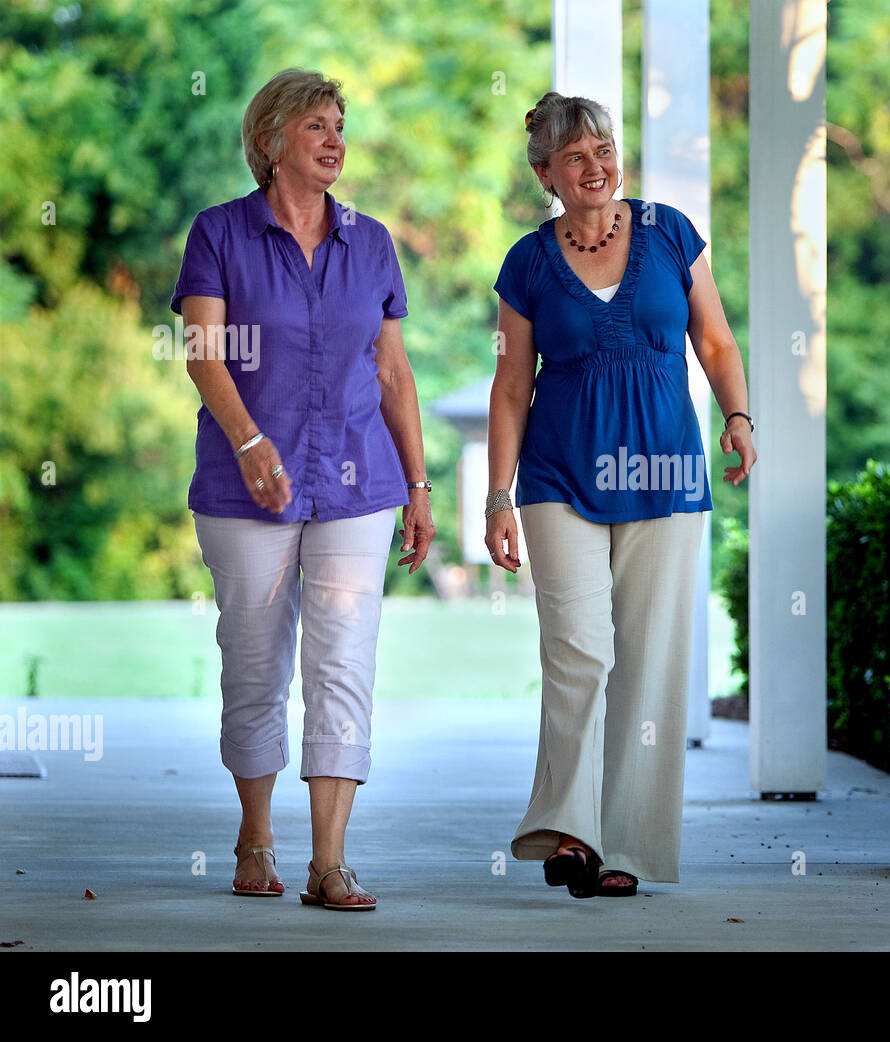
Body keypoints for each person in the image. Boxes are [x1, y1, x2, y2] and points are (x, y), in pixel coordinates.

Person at [171, 68, 434, 911]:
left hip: (359, 482)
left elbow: (393, 373)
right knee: (253, 667)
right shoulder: (220, 235)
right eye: (316, 124)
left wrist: (421, 484)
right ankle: (256, 838)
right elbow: (203, 353)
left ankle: (330, 863)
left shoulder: (374, 242)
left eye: (340, 124)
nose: (334, 139)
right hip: (245, 485)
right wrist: (248, 441)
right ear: (270, 140)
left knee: (344, 662)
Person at [486, 92, 756, 897]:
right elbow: (510, 387)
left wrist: (737, 418)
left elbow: (713, 338)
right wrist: (498, 496)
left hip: (667, 475)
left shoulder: (671, 232)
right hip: (559, 477)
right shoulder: (528, 264)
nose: (597, 166)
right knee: (579, 652)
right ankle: (572, 831)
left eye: (605, 149)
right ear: (546, 173)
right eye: (576, 157)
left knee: (652, 662)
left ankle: (629, 848)